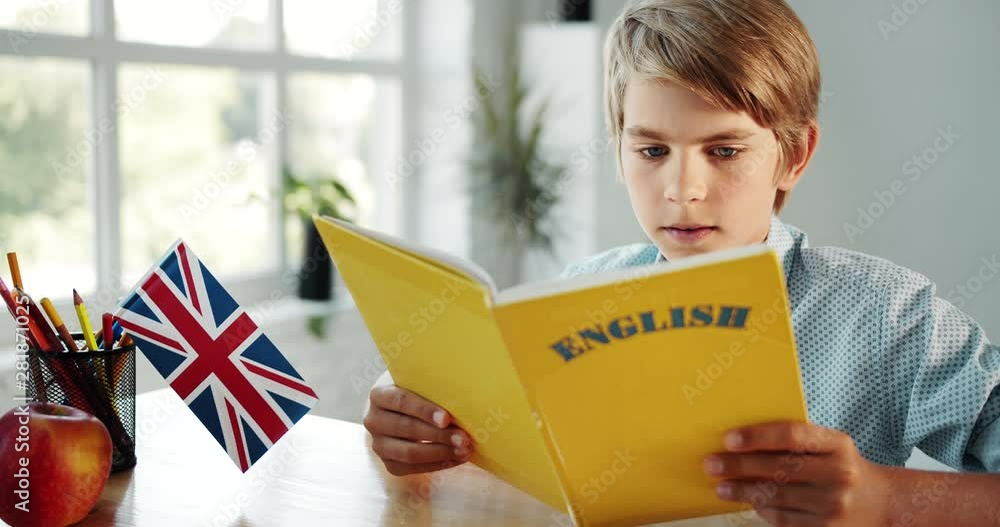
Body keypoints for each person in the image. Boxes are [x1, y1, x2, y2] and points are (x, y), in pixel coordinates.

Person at [364, 1, 1000, 524]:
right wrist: (415, 424)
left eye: (723, 150)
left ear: (794, 156)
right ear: (619, 152)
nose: (682, 188)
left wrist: (887, 500)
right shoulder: (584, 291)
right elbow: (505, 459)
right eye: (651, 150)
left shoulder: (887, 315)